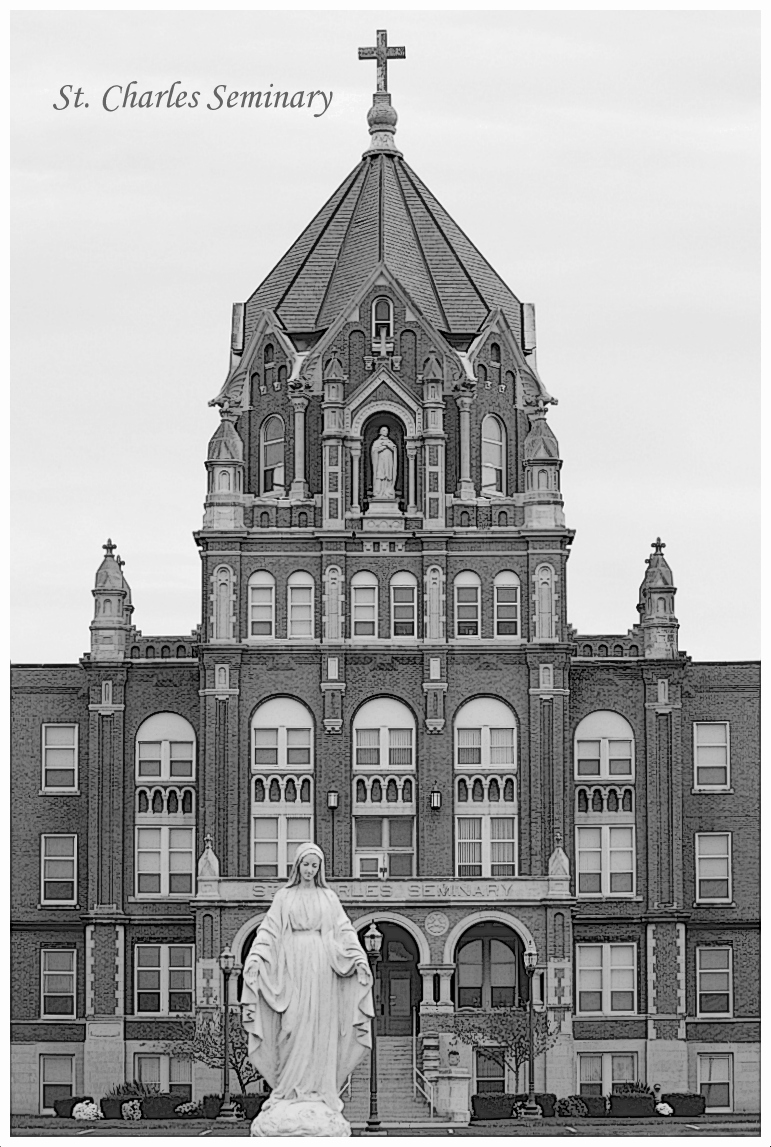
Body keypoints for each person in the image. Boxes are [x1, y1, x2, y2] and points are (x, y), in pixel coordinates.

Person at [241, 843, 373, 1133]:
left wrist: (358, 957)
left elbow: (344, 930)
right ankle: (287, 1090)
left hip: (322, 967)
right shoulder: (284, 897)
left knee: (318, 1029)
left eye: (315, 865)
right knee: (290, 1027)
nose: (310, 870)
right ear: (297, 866)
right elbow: (269, 931)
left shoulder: (328, 897)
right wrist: (255, 958)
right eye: (306, 864)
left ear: (320, 868)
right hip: (290, 967)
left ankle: (317, 1090)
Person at [371, 426, 397, 498]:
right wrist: (381, 448)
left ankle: (388, 492)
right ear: (381, 432)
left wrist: (388, 445)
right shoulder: (376, 442)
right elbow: (374, 451)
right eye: (384, 430)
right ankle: (379, 492)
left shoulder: (390, 442)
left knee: (388, 476)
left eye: (387, 430)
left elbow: (394, 449)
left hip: (388, 462)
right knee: (380, 475)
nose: (386, 432)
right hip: (380, 462)